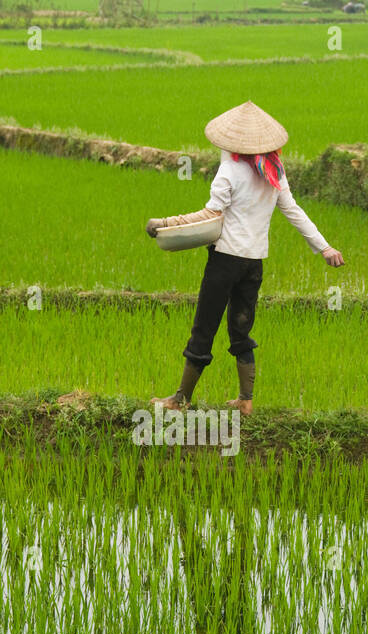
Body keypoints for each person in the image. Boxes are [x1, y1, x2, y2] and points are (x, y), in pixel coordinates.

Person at [145, 101, 344, 416]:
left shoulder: (231, 169)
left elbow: (211, 214)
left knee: (204, 328)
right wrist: (325, 247)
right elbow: (294, 211)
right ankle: (246, 400)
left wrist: (166, 224)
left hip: (225, 261)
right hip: (254, 263)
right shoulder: (274, 171)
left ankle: (181, 399)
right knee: (241, 328)